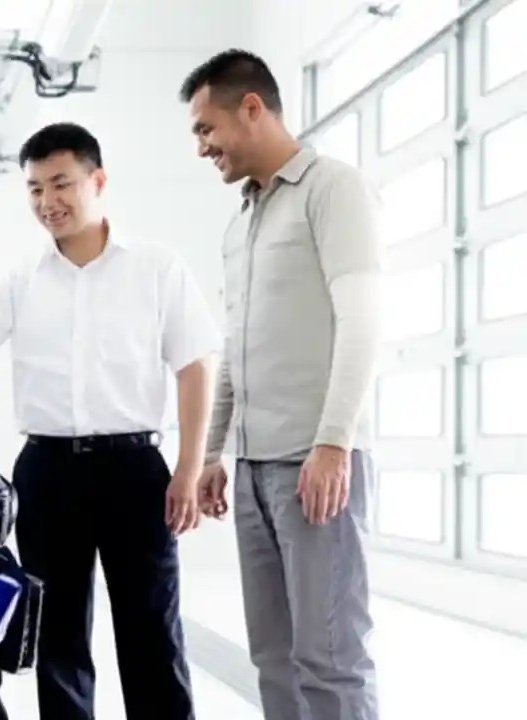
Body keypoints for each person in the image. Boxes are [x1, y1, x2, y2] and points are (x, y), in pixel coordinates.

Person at [0, 122, 220, 720]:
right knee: (57, 636)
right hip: (48, 472)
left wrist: (187, 468)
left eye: (61, 184)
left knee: (151, 628)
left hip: (135, 469)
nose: (47, 202)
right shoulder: (21, 279)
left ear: (96, 181)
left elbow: (195, 364)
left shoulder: (156, 268)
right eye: (34, 189)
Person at [179, 49, 384, 720]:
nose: (202, 147)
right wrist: (213, 452)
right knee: (274, 658)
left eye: (206, 129)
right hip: (255, 469)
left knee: (330, 662)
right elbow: (236, 348)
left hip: (316, 462)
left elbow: (363, 321)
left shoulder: (333, 188)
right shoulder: (241, 223)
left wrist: (333, 442)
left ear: (252, 107)